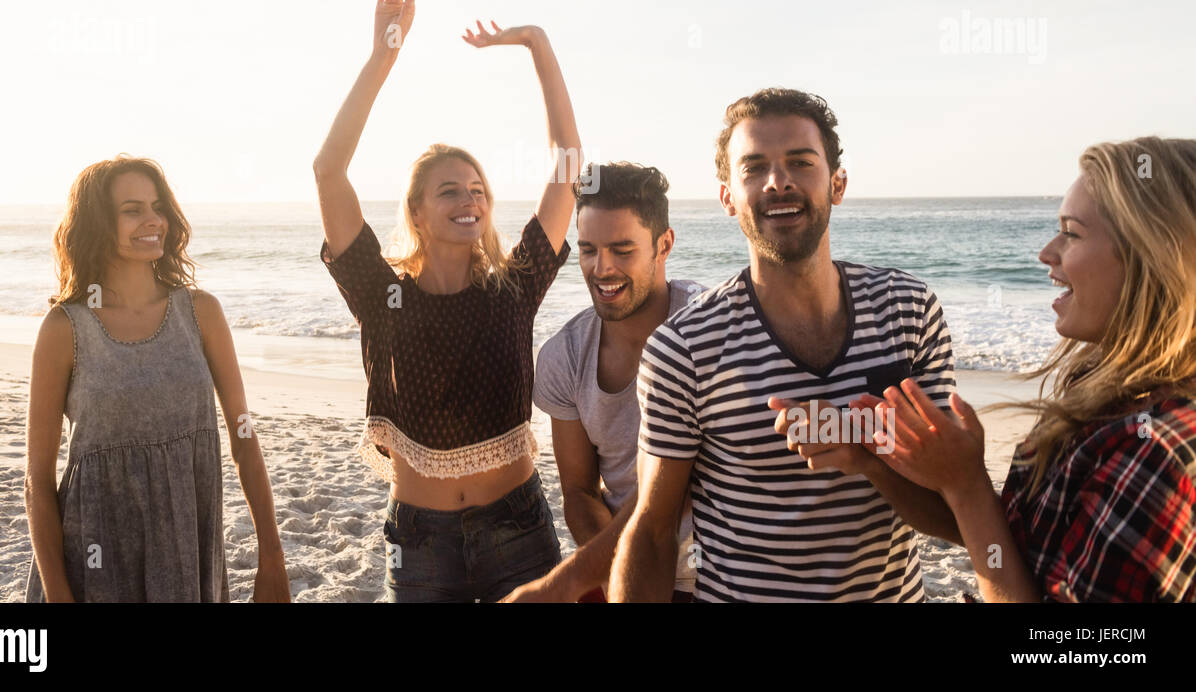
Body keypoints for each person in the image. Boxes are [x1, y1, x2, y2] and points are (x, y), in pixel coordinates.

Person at [610, 88, 959, 602]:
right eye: (753, 167)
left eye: (800, 161)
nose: (778, 182)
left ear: (837, 183)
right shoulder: (683, 349)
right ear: (728, 197)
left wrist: (866, 458)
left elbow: (954, 511)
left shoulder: (908, 312)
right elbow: (653, 531)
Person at [313, 0, 583, 602]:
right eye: (449, 191)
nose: (470, 200)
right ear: (416, 209)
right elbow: (328, 171)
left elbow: (568, 165)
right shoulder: (382, 295)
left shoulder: (514, 287)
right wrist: (384, 53)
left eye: (479, 189)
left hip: (518, 528)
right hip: (421, 541)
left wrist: (536, 43)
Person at [872, 137, 1196, 602]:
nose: (1048, 252)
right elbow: (1013, 549)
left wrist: (965, 485)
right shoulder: (1099, 391)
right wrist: (879, 465)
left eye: (1072, 232)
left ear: (1154, 256)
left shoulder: (1156, 453)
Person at [24, 156, 289, 602]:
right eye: (132, 209)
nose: (153, 220)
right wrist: (57, 596)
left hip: (187, 559)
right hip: (95, 564)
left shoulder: (200, 312)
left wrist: (273, 556)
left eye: (158, 206)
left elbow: (244, 438)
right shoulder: (64, 328)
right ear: (96, 222)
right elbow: (37, 478)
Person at [503, 162, 701, 602]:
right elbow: (578, 490)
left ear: (663, 245)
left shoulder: (707, 331)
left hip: (714, 572)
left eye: (622, 249)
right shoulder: (564, 356)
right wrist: (613, 570)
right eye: (589, 249)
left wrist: (573, 578)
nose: (602, 268)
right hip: (612, 562)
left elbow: (676, 488)